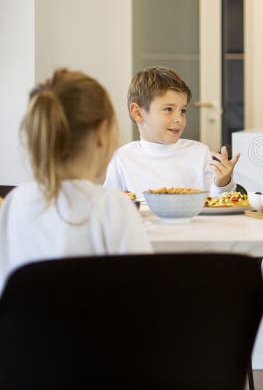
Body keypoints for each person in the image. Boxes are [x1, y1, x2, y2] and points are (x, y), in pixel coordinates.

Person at [0, 69, 152, 294]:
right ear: (102, 133)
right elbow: (143, 294)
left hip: (24, 329)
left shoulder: (13, 204)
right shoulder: (113, 207)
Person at [104, 66, 240, 198]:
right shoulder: (122, 158)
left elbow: (218, 202)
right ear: (138, 113)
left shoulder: (199, 153)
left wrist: (223, 182)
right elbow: (108, 206)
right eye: (168, 109)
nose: (179, 119)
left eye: (182, 111)